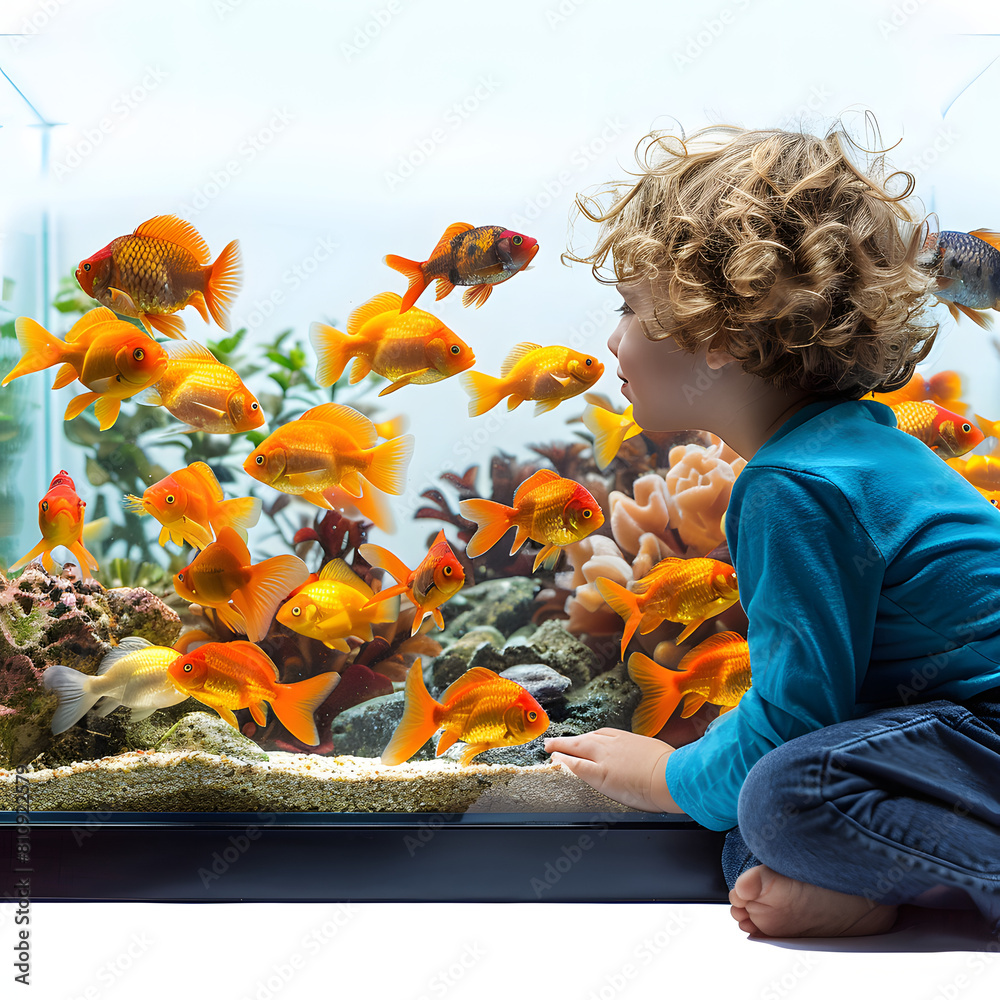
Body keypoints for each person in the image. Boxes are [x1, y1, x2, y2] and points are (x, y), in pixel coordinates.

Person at [544, 123, 1000, 939]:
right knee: (749, 836)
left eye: (629, 307)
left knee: (781, 793)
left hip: (986, 730)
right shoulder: (846, 445)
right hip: (955, 739)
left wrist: (667, 775)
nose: (613, 339)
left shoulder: (792, 484)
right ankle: (878, 884)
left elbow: (796, 721)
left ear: (714, 335)